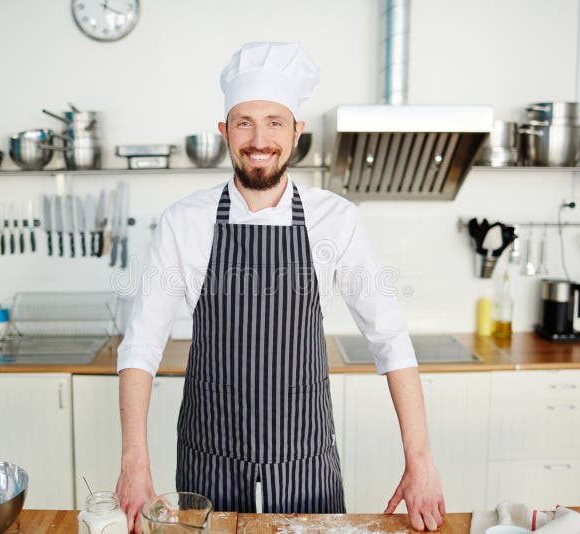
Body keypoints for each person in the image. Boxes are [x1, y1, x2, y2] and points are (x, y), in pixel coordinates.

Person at [115, 41, 445, 532]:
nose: (259, 139)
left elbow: (390, 340)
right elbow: (141, 346)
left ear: (296, 133)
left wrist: (420, 460)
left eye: (274, 122)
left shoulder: (337, 220)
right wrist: (134, 463)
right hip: (209, 462)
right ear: (225, 132)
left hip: (306, 461)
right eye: (244, 122)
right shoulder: (184, 221)